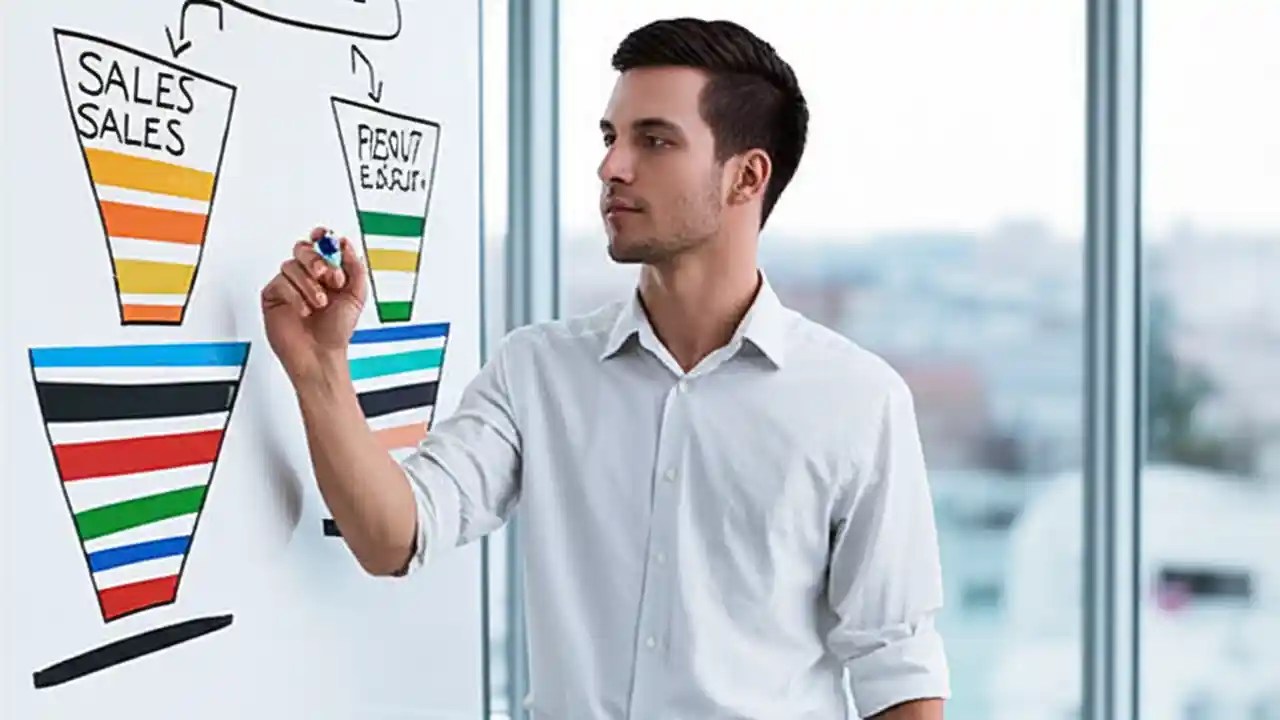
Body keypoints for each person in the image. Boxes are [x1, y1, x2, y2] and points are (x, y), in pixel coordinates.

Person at [261, 17, 949, 720]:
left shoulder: (855, 402)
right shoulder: (537, 371)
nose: (613, 167)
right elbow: (392, 535)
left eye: (654, 140)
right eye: (610, 137)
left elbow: (898, 671)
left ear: (747, 176)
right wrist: (320, 369)